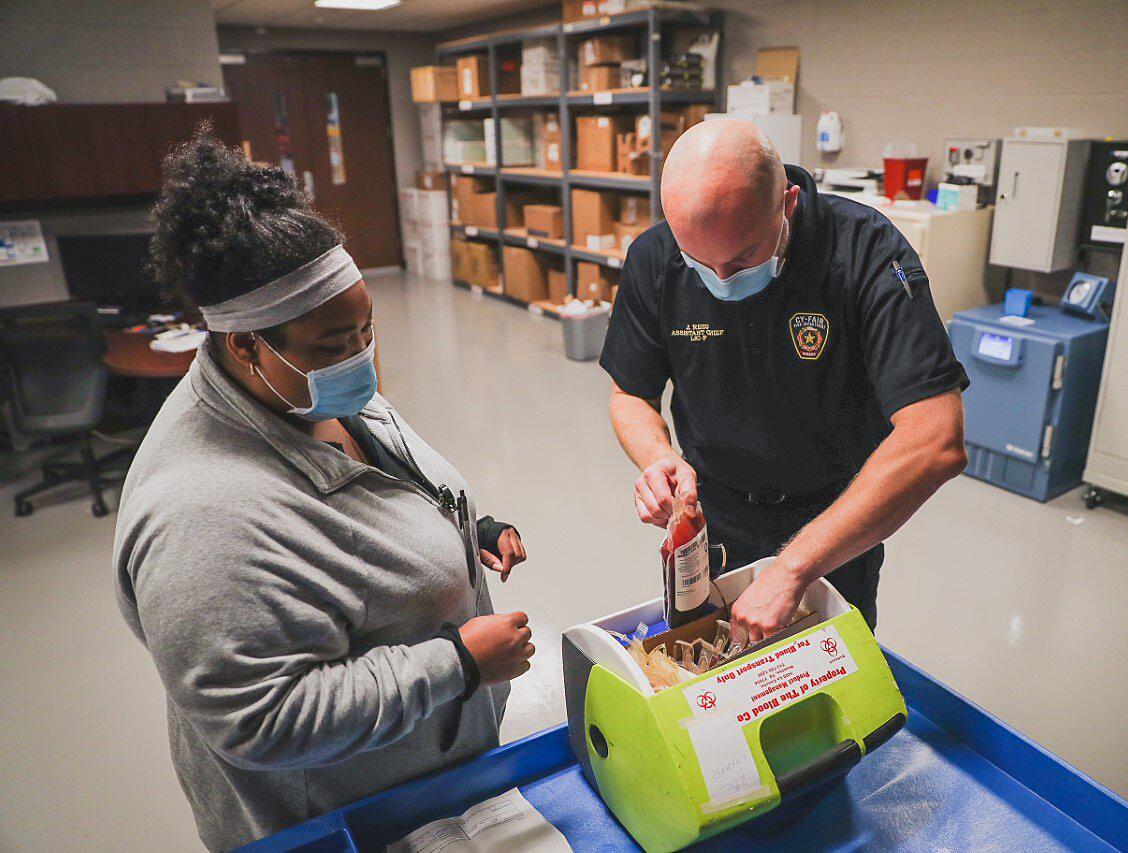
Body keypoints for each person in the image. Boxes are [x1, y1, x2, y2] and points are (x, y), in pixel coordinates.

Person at [113, 130, 533, 850]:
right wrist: (456, 663)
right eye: (337, 343)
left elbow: (385, 476)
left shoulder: (302, 386)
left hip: (434, 770)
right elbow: (263, 717)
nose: (361, 357)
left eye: (366, 328)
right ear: (246, 344)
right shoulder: (199, 516)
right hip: (353, 817)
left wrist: (470, 526)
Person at [601, 119, 969, 644]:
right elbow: (631, 394)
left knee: (822, 687)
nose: (722, 280)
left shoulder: (863, 251)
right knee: (713, 675)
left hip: (835, 523)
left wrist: (796, 567)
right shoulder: (655, 256)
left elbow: (936, 439)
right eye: (699, 263)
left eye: (744, 257)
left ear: (788, 203)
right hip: (713, 515)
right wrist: (658, 457)